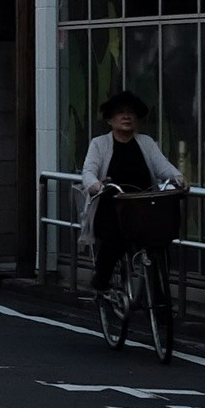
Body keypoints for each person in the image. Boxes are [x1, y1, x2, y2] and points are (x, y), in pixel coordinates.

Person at [79, 90, 184, 311]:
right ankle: (102, 281)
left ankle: (159, 300)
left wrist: (178, 178)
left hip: (142, 204)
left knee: (158, 243)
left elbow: (162, 165)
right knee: (114, 238)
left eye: (131, 113)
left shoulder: (146, 142)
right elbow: (89, 171)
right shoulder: (99, 144)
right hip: (112, 204)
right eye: (120, 113)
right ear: (110, 119)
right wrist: (95, 185)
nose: (127, 117)